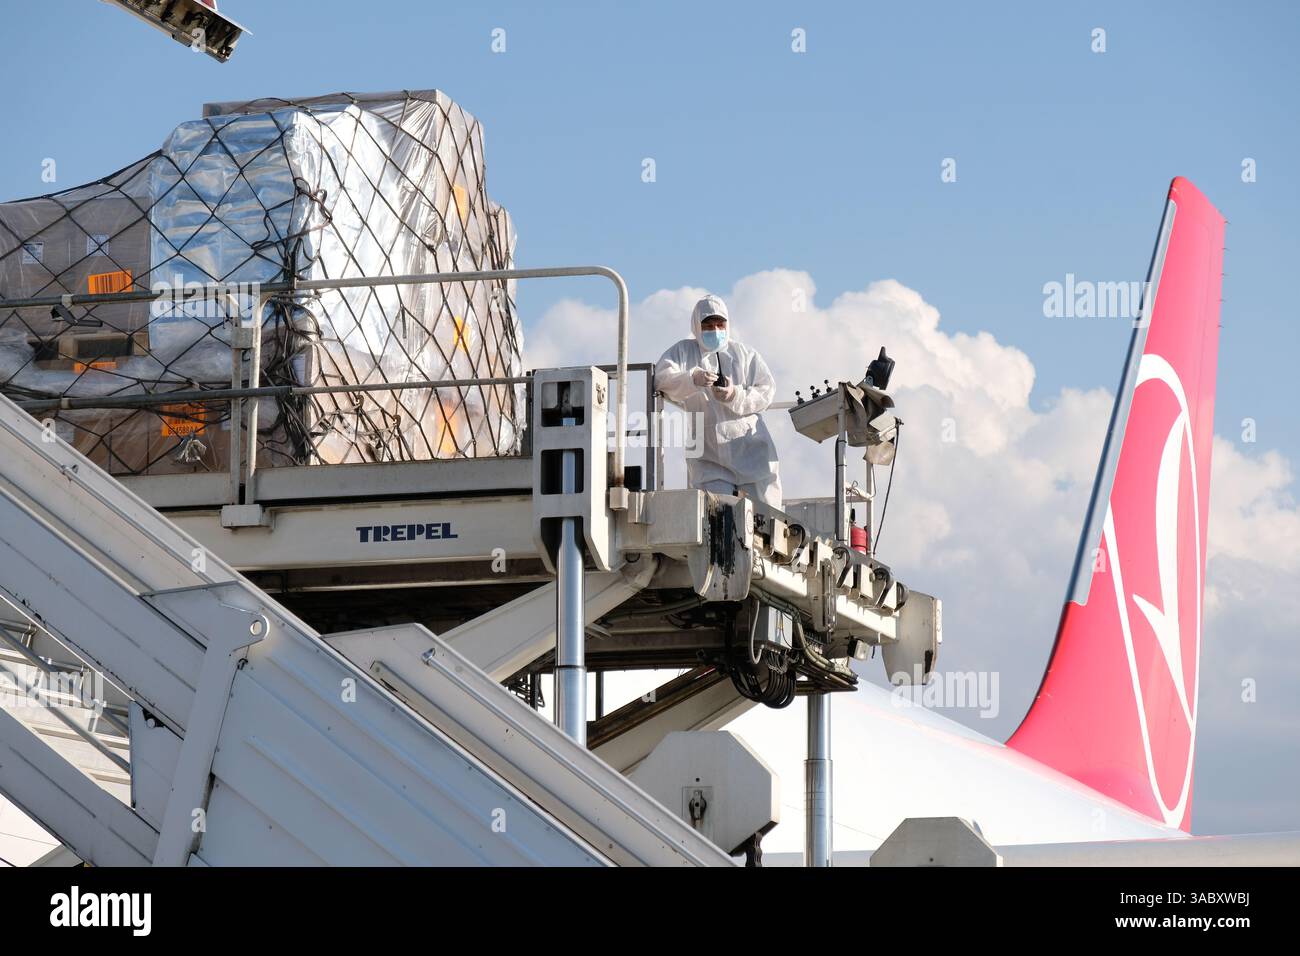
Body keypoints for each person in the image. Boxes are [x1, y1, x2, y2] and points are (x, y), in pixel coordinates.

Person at [654, 293, 783, 509]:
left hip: (752, 454)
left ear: (727, 325)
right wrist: (691, 379)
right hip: (709, 461)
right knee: (714, 521)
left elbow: (766, 391)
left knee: (768, 523)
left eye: (719, 324)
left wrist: (735, 395)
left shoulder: (745, 355)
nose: (715, 330)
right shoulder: (683, 352)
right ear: (696, 326)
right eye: (708, 325)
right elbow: (661, 379)